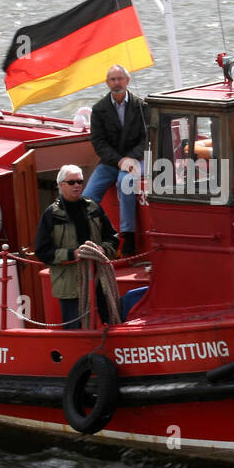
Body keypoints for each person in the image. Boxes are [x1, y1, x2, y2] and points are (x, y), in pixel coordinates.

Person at [34, 164, 118, 330]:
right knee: (74, 328)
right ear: (60, 185)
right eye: (72, 182)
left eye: (80, 181)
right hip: (70, 285)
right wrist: (73, 254)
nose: (77, 185)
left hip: (99, 279)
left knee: (110, 322)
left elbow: (112, 237)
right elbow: (42, 251)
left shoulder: (93, 208)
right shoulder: (52, 214)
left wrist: (103, 250)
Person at [84, 64, 149, 257]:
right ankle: (97, 237)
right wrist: (120, 161)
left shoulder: (141, 106)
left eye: (120, 79)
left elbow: (148, 138)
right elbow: (98, 142)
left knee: (126, 182)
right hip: (111, 162)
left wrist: (131, 157)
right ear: (107, 83)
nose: (116, 83)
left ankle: (128, 236)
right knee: (87, 198)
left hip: (137, 158)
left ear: (127, 81)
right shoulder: (99, 109)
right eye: (112, 79)